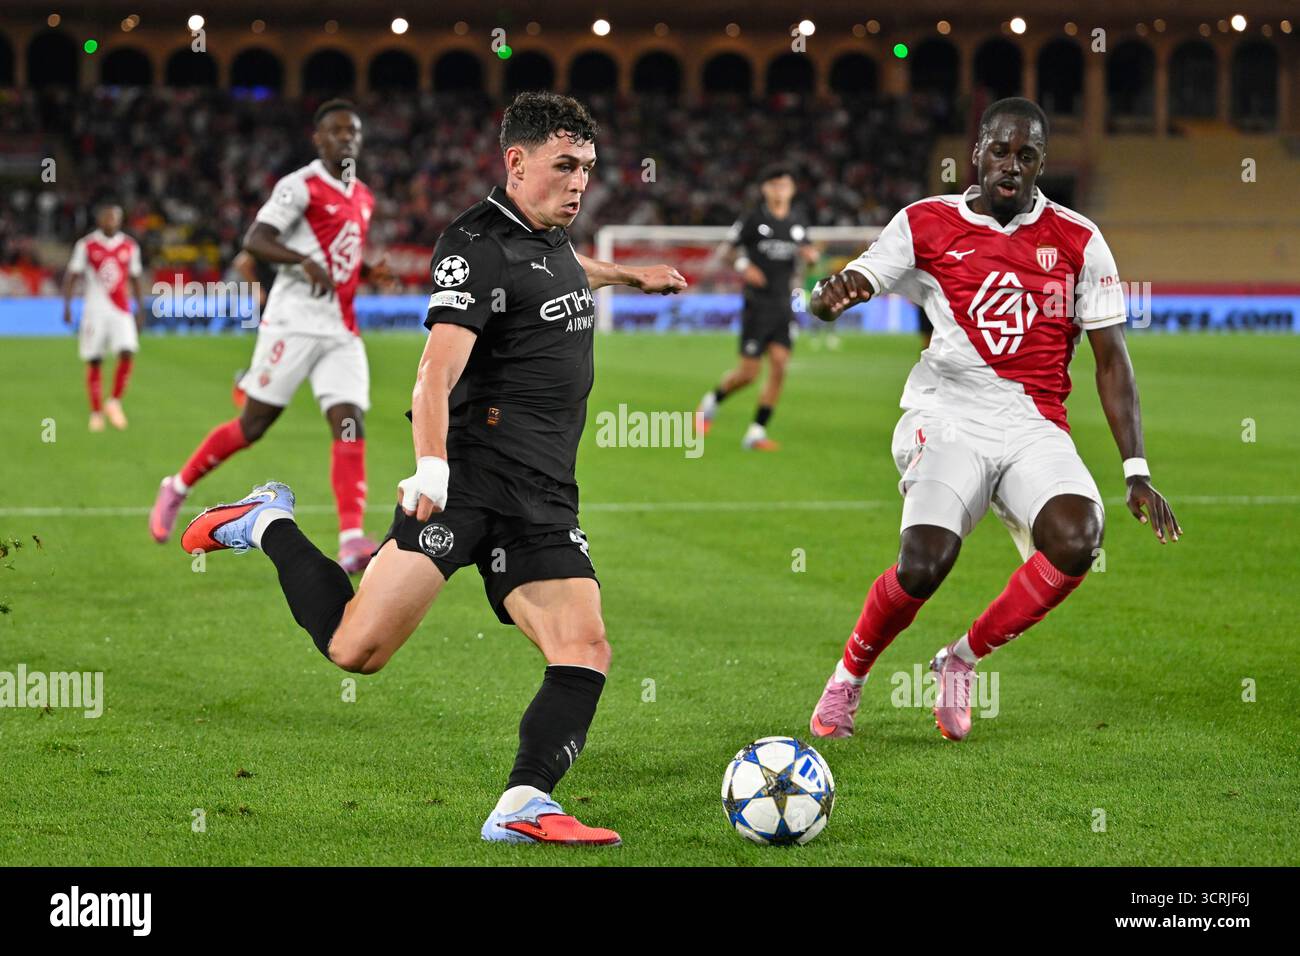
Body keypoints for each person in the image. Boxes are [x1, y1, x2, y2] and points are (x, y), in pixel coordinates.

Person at [179, 92, 687, 845]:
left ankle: (523, 804)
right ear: (516, 163)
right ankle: (268, 521)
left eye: (588, 167)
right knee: (357, 650)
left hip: (544, 494)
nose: (580, 183)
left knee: (584, 647)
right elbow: (432, 375)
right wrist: (432, 470)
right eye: (564, 166)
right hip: (468, 480)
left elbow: (562, 268)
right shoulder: (472, 245)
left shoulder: (551, 239)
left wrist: (627, 275)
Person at [806, 98, 1181, 742]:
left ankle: (960, 659)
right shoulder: (925, 222)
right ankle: (849, 677)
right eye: (1001, 151)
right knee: (925, 562)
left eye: (1026, 155)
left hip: (1035, 424)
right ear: (977, 151)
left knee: (1077, 536)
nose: (1011, 165)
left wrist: (1136, 469)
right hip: (947, 415)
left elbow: (1112, 360)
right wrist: (831, 296)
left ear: (1042, 164)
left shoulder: (1080, 240)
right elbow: (854, 281)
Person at [149, 100, 397, 576]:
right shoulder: (300, 186)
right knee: (254, 424)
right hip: (293, 321)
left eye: (354, 132)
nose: (347, 138)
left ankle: (350, 540)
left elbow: (338, 251)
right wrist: (301, 262)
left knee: (349, 422)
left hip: (341, 328)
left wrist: (367, 269)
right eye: (336, 131)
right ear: (318, 139)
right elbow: (256, 239)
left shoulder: (362, 195)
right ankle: (177, 485)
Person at [696, 165, 818, 450]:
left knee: (779, 365)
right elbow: (726, 252)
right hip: (757, 304)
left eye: (785, 185)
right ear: (765, 189)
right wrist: (744, 266)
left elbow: (808, 254)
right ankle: (711, 401)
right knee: (749, 373)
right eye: (774, 185)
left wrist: (811, 257)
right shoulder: (753, 218)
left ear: (792, 189)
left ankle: (756, 432)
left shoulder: (798, 222)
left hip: (783, 305)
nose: (779, 190)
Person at [63, 201, 147, 431]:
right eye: (107, 217)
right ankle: (96, 412)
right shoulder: (87, 245)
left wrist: (140, 308)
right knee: (95, 359)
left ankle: (114, 401)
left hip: (121, 309)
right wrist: (67, 306)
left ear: (120, 220)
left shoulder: (130, 246)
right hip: (95, 311)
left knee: (128, 351)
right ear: (100, 219)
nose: (111, 221)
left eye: (115, 217)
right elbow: (72, 275)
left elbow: (136, 278)